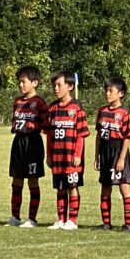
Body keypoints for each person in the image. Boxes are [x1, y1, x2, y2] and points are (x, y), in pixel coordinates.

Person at [46, 70, 89, 230]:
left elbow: (81, 134)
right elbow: (49, 135)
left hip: (71, 157)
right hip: (57, 157)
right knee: (60, 188)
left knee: (72, 187)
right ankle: (61, 219)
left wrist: (78, 154)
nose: (55, 88)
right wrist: (48, 155)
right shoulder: (52, 109)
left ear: (70, 86)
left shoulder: (76, 108)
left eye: (59, 85)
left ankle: (73, 220)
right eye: (54, 85)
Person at [8, 65, 49, 228]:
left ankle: (32, 219)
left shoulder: (39, 103)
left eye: (23, 82)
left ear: (35, 83)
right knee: (16, 180)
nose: (20, 85)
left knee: (33, 181)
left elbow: (46, 125)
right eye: (19, 82)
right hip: (18, 142)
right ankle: (15, 217)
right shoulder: (17, 101)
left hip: (33, 143)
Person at [95, 78, 130, 232]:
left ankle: (128, 224)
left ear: (121, 93)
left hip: (118, 150)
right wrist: (97, 155)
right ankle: (106, 223)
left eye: (110, 91)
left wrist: (122, 158)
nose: (107, 93)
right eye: (106, 90)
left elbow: (127, 137)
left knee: (123, 186)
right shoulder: (102, 111)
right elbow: (99, 135)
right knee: (105, 186)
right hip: (105, 151)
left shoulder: (124, 113)